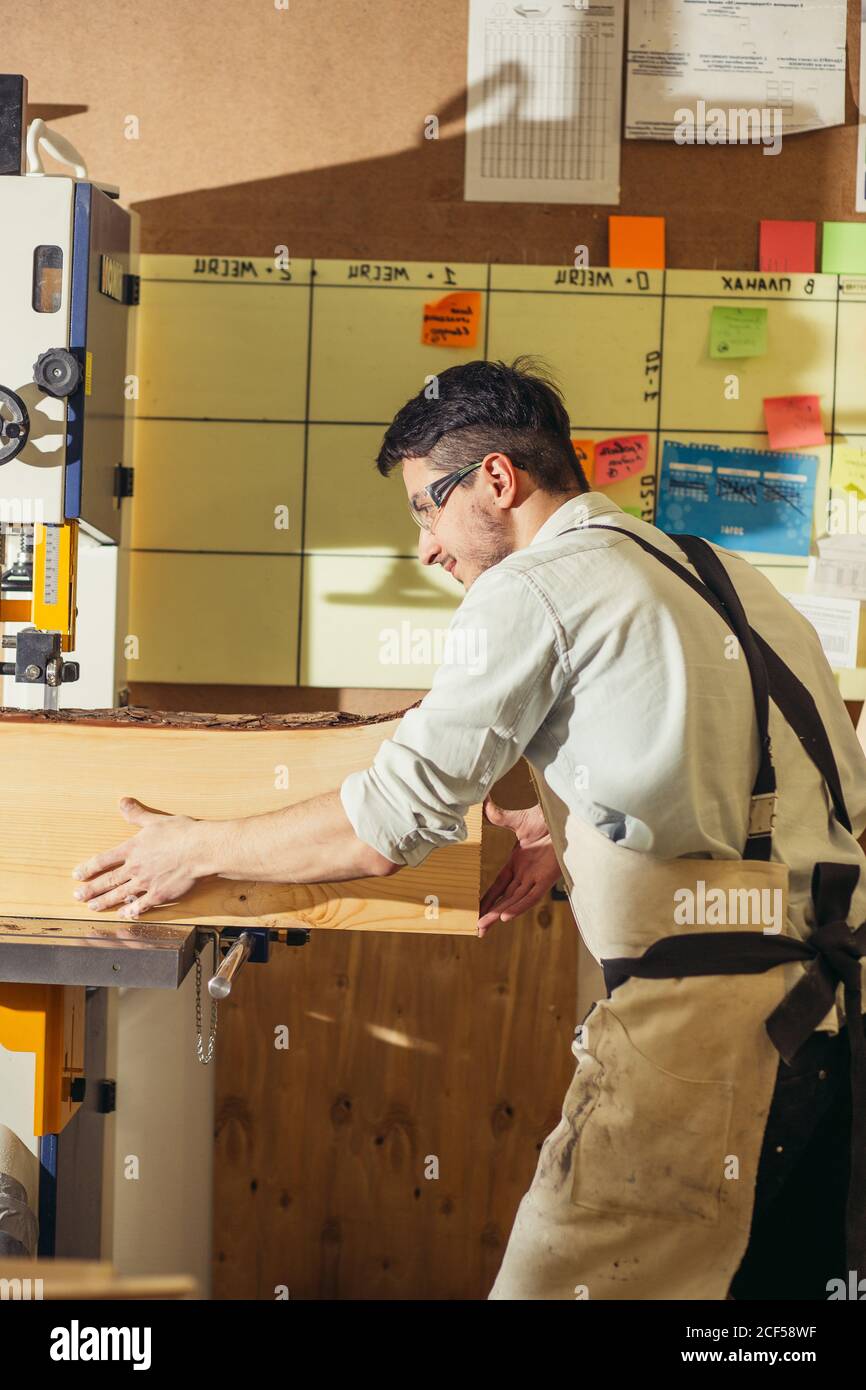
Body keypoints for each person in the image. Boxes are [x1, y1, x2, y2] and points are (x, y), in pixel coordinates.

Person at [71, 357, 866, 1299]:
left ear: (496, 478)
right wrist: (556, 829)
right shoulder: (712, 567)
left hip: (709, 1038)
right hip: (832, 1015)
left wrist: (191, 845)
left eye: (426, 506)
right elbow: (777, 782)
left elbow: (386, 823)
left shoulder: (534, 587)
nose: (427, 547)